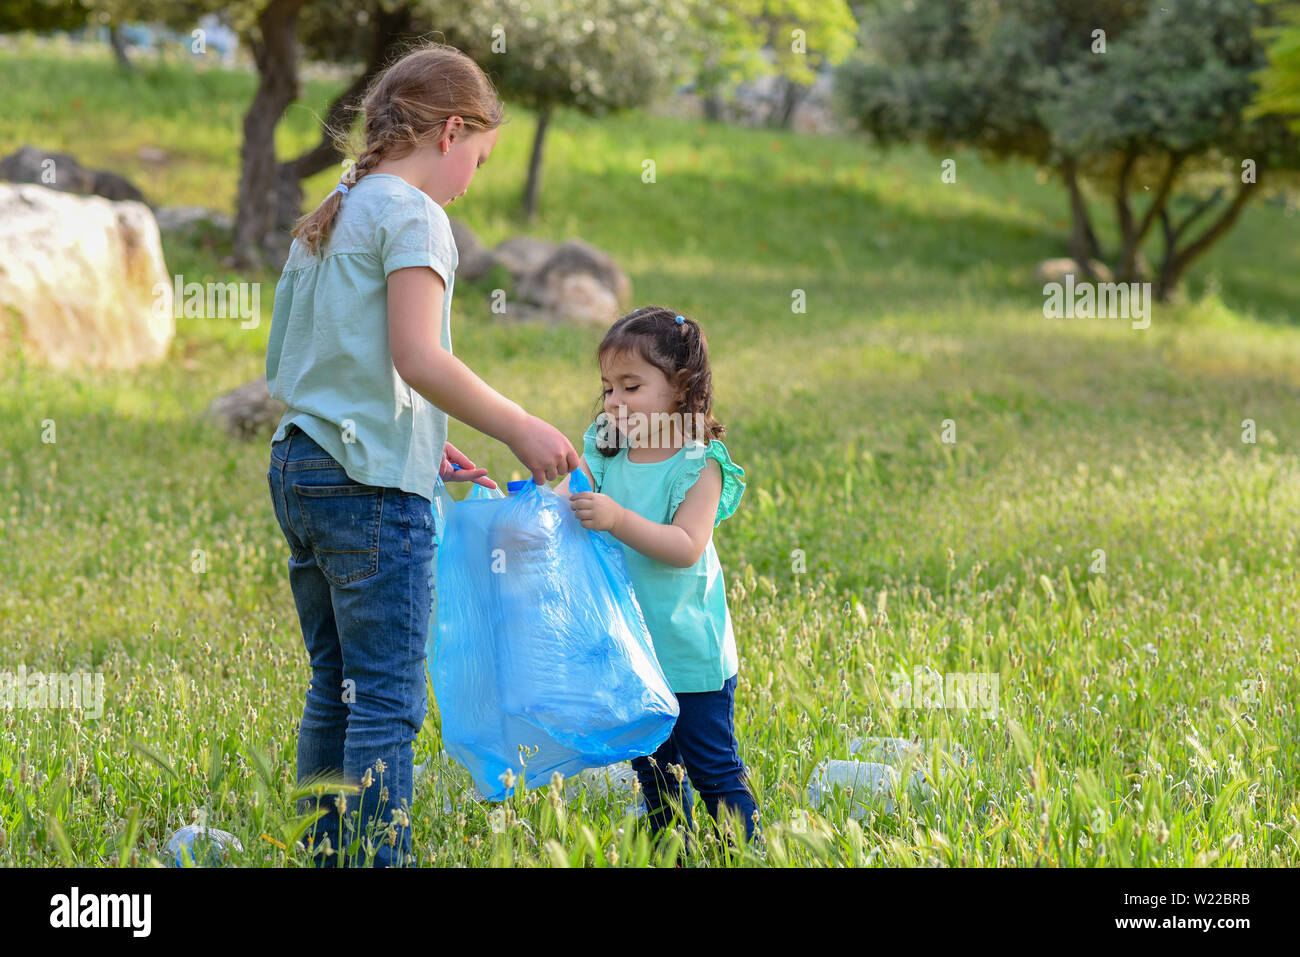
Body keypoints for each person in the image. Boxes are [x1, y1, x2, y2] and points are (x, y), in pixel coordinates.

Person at [265, 42, 579, 868]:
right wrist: (519, 424)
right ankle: (375, 860)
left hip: (302, 468)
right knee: (386, 702)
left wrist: (426, 445)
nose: (473, 177)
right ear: (450, 132)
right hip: (367, 493)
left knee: (335, 687)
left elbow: (334, 363)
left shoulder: (335, 209)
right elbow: (418, 357)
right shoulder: (414, 215)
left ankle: (323, 853)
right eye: (479, 155)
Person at [554, 306, 759, 854]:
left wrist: (618, 519)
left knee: (712, 766)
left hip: (689, 650)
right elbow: (567, 497)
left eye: (631, 386)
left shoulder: (698, 462)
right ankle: (672, 853)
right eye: (607, 387)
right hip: (630, 645)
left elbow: (686, 547)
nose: (615, 401)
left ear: (680, 387)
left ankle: (741, 851)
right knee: (656, 773)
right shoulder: (604, 444)